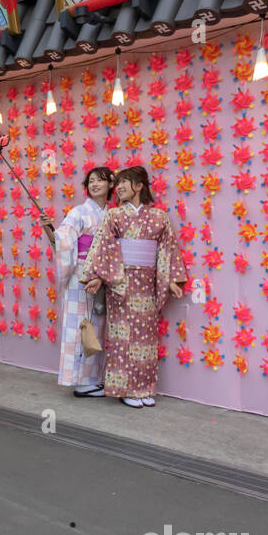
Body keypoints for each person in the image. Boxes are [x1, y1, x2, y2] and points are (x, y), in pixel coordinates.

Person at [80, 165, 188, 409]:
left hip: (147, 286)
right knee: (122, 339)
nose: (118, 188)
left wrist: (171, 280)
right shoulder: (114, 216)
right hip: (120, 283)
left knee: (145, 340)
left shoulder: (158, 217)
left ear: (139, 186)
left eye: (124, 182)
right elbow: (103, 246)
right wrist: (97, 276)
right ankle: (124, 388)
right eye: (117, 183)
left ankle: (144, 388)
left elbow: (167, 249)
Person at [43, 166, 115, 397]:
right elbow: (63, 238)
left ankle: (92, 379)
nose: (94, 185)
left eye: (100, 181)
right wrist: (48, 228)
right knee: (79, 326)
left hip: (102, 276)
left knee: (98, 324)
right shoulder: (79, 212)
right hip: (81, 275)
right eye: (91, 181)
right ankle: (79, 381)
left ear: (111, 184)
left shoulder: (112, 213)